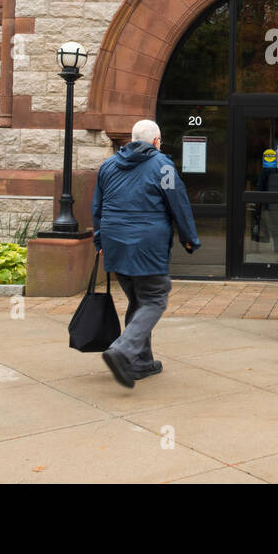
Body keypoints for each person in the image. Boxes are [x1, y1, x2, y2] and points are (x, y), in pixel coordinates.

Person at [92, 119, 199, 389]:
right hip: (147, 246)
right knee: (154, 298)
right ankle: (123, 350)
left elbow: (97, 207)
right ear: (155, 141)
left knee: (138, 300)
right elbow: (179, 204)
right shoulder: (162, 165)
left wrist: (99, 240)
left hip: (115, 243)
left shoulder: (108, 166)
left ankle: (141, 362)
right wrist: (189, 238)